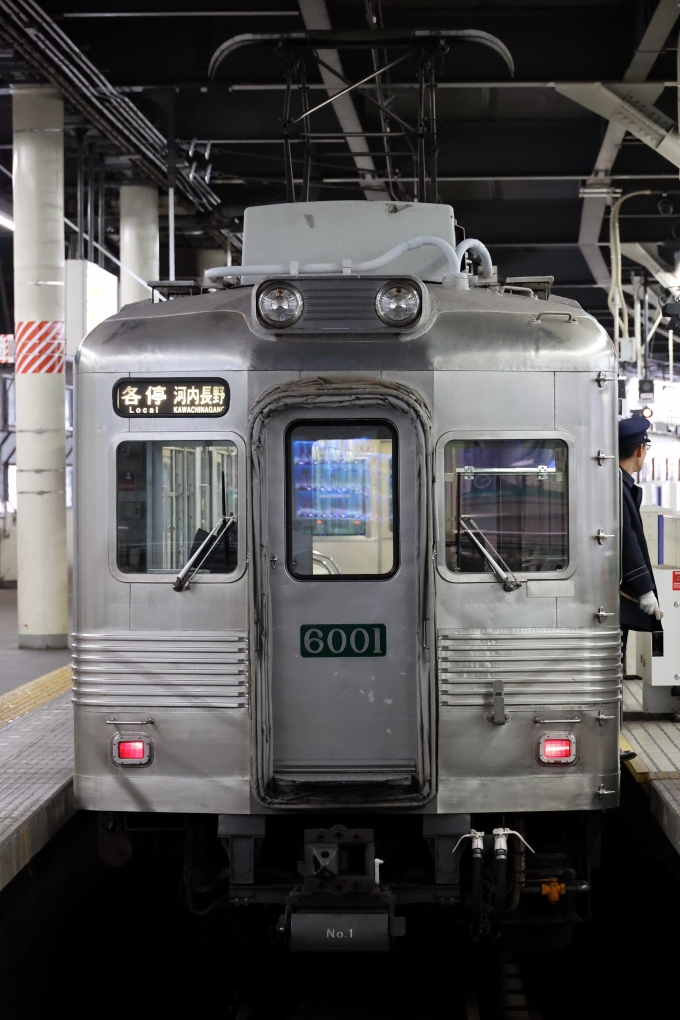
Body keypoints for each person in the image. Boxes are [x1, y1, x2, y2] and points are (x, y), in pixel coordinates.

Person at [619, 416, 663, 659]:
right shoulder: (617, 486)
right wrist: (644, 589)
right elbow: (626, 537)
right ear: (639, 449)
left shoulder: (620, 484)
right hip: (618, 595)